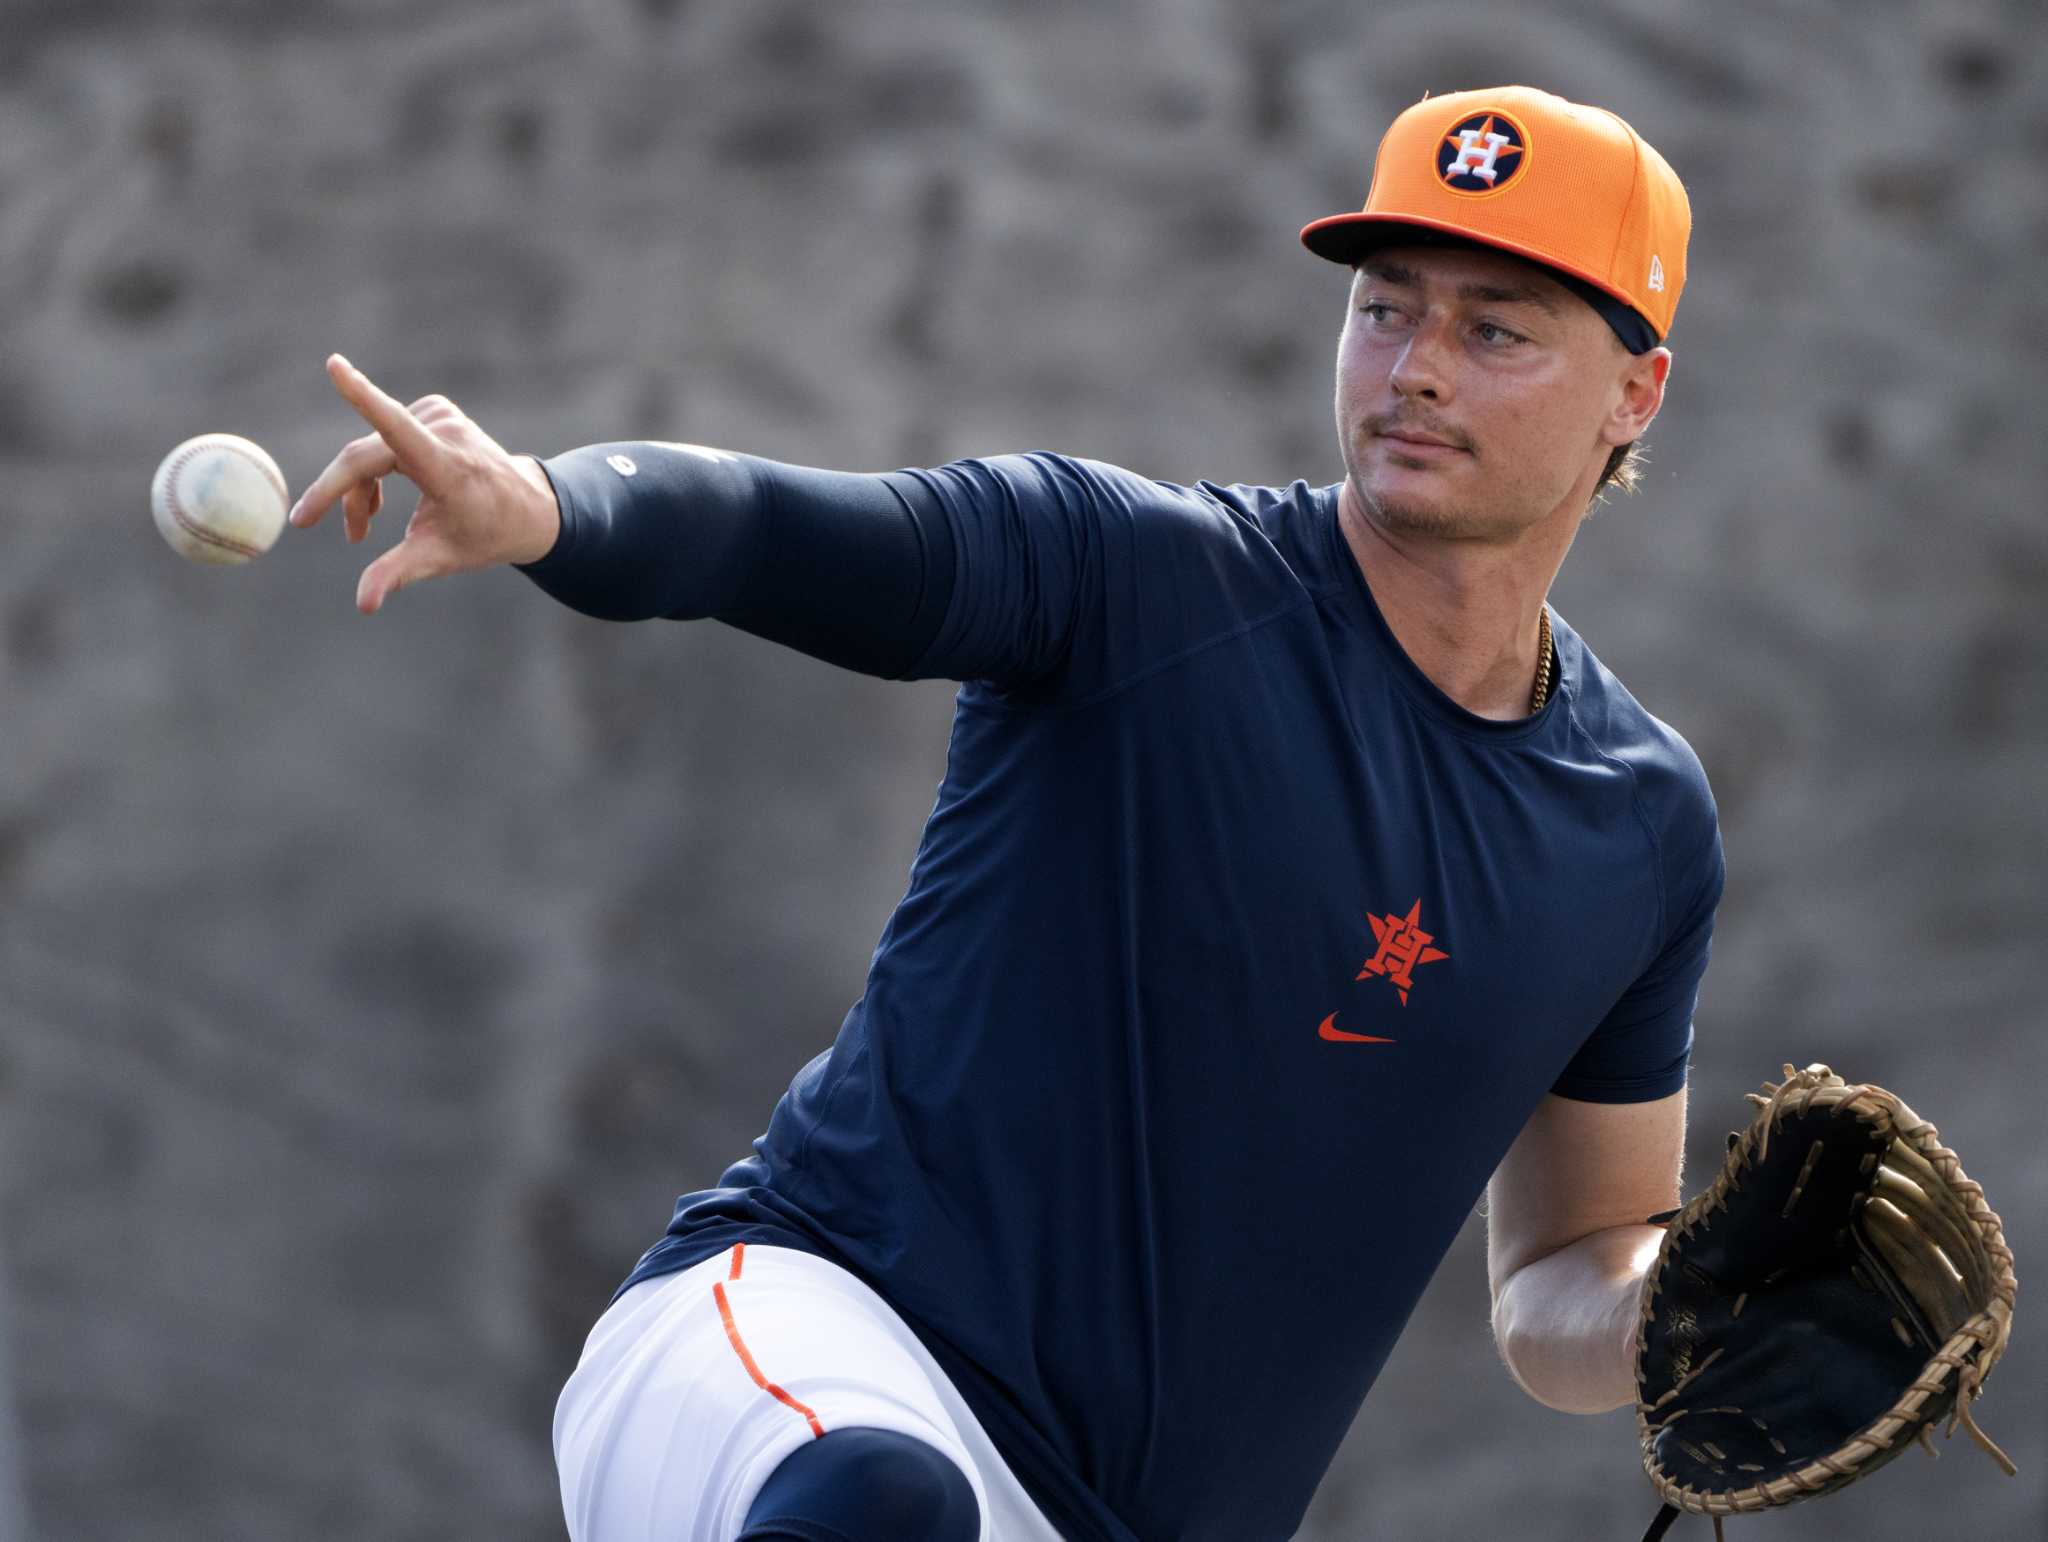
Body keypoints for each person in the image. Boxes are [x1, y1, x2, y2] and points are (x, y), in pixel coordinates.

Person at [292, 84, 1722, 1542]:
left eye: (1495, 328)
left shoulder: (1641, 828)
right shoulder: (1134, 576)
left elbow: (1568, 1270)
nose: (1415, 367)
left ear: (1634, 392)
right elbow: (762, 529)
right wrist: (545, 506)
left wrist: (1700, 1307)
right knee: (883, 1501)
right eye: (1383, 307)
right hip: (814, 1347)